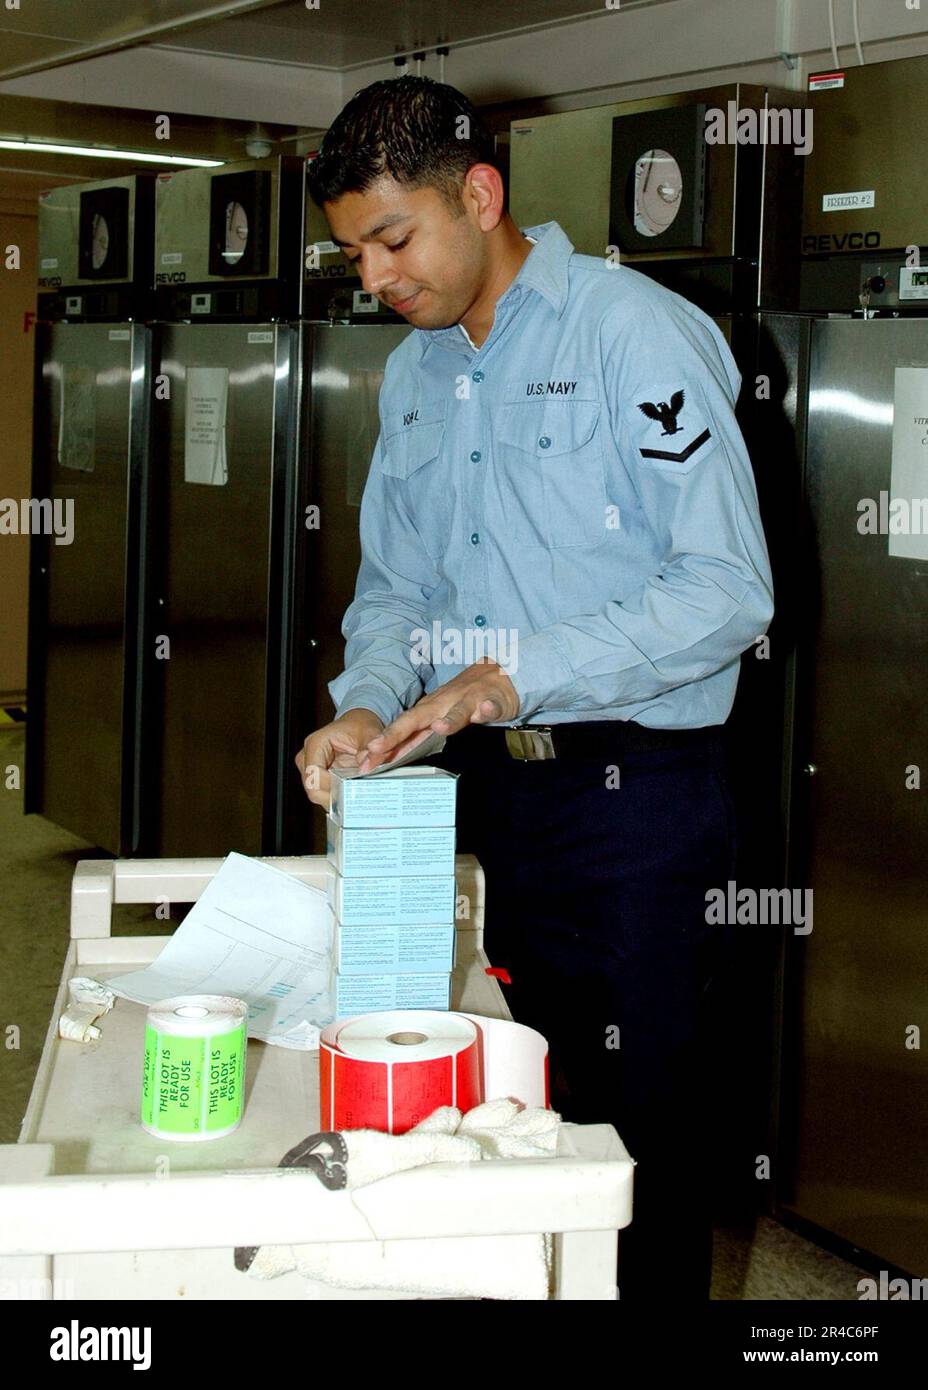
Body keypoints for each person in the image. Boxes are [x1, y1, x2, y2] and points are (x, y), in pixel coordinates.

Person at [296, 75, 774, 1300]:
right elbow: (396, 589)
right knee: (495, 1114)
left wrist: (512, 677)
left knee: (633, 1147)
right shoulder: (413, 374)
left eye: (393, 240)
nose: (374, 278)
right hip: (483, 811)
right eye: (354, 254)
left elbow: (727, 592)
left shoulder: (633, 333)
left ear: (480, 193)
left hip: (635, 810)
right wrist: (365, 699)